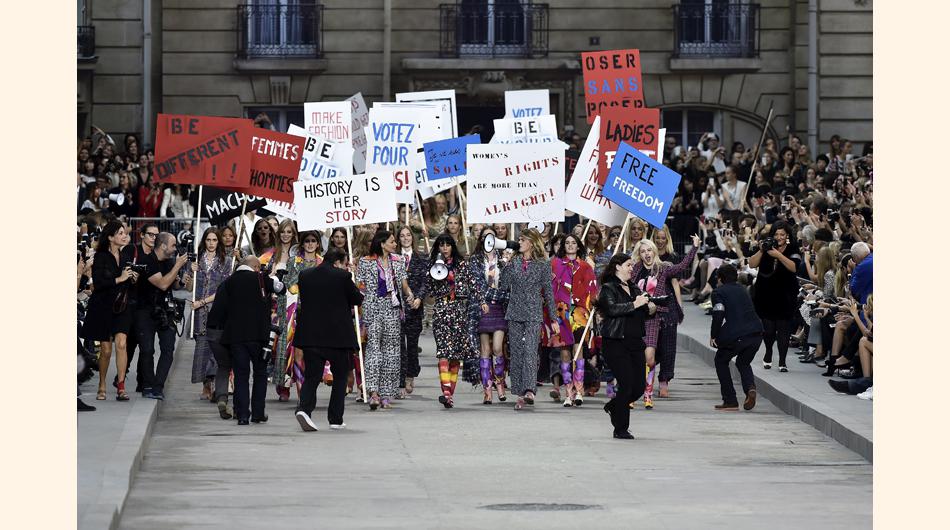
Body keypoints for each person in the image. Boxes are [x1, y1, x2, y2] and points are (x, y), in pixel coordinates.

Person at [293, 249, 364, 431]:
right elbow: (357, 299)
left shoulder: (305, 275)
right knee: (340, 377)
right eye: (345, 263)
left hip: (311, 336)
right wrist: (352, 278)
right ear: (338, 262)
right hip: (337, 337)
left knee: (312, 376)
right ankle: (335, 418)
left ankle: (304, 410)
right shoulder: (343, 276)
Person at [213, 256, 286, 425]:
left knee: (241, 375)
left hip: (236, 337)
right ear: (254, 266)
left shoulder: (228, 282)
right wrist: (275, 278)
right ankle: (258, 413)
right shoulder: (260, 278)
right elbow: (281, 289)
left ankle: (242, 415)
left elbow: (219, 310)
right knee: (260, 374)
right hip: (259, 336)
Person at [630, 235, 700, 408]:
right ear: (639, 254)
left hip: (653, 318)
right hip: (635, 317)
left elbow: (683, 266)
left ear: (654, 252)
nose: (647, 254)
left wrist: (695, 248)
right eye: (643, 251)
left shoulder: (663, 269)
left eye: (649, 250)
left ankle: (648, 393)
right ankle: (631, 393)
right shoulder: (634, 269)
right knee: (633, 357)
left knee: (650, 358)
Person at [356, 231, 419, 410]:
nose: (395, 244)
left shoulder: (398, 260)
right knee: (374, 350)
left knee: (391, 352)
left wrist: (410, 296)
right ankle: (373, 392)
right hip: (373, 309)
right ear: (382, 244)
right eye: (392, 242)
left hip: (392, 309)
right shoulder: (366, 261)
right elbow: (360, 286)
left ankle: (386, 394)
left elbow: (403, 283)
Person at [497, 229, 557, 410]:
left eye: (522, 240)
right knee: (517, 353)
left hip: (533, 313)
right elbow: (504, 286)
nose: (519, 242)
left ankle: (530, 389)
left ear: (532, 242)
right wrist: (505, 265)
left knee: (530, 351)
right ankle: (519, 393)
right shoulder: (514, 262)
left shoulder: (543, 264)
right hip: (514, 312)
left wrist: (553, 318)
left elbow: (548, 292)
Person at [596, 253, 654, 439]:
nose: (631, 268)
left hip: (635, 342)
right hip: (615, 343)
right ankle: (620, 428)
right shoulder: (608, 288)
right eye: (628, 265)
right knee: (627, 384)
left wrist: (649, 305)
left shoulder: (633, 287)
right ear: (617, 267)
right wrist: (634, 304)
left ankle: (614, 406)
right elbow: (611, 309)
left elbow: (642, 311)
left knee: (638, 387)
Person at [81, 221, 140, 401]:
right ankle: (102, 384)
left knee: (121, 343)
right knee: (106, 350)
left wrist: (132, 278)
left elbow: (126, 282)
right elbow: (98, 284)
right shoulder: (100, 257)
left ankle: (121, 386)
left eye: (125, 233)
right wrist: (120, 278)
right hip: (103, 307)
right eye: (120, 233)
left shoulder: (125, 255)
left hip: (122, 306)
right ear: (110, 237)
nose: (124, 236)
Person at [420, 233, 478, 408]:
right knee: (444, 352)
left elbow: (473, 284)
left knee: (456, 356)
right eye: (441, 245)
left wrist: (481, 303)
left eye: (448, 245)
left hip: (460, 311)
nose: (445, 248)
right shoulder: (432, 266)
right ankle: (446, 392)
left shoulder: (462, 265)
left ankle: (449, 395)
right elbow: (429, 291)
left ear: (452, 246)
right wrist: (433, 272)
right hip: (442, 311)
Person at [542, 234, 598, 407]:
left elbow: (593, 288)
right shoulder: (555, 264)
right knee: (564, 352)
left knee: (578, 350)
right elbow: (548, 288)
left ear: (578, 245)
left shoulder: (585, 266)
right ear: (563, 246)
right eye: (567, 243)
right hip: (562, 312)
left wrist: (594, 304)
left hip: (580, 313)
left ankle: (579, 390)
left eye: (574, 242)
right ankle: (568, 392)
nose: (570, 245)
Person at [136, 232, 190, 400]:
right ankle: (148, 385)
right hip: (145, 310)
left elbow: (172, 284)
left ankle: (158, 386)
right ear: (163, 246)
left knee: (168, 349)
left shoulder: (169, 262)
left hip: (166, 310)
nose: (175, 249)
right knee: (147, 350)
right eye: (173, 245)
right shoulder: (148, 261)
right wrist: (178, 266)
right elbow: (162, 284)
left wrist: (181, 280)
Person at [184, 227, 233, 401]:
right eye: (208, 240)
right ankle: (206, 384)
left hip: (217, 311)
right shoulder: (196, 261)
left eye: (214, 240)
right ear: (204, 241)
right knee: (202, 348)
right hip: (199, 313)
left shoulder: (226, 261)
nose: (211, 243)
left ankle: (214, 385)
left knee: (216, 349)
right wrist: (190, 273)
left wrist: (203, 302)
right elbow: (188, 287)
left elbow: (223, 289)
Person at [748, 221, 801, 372]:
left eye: (782, 234)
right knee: (769, 330)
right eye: (776, 234)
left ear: (788, 236)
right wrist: (762, 250)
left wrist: (777, 254)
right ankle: (768, 351)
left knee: (783, 329)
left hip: (786, 294)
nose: (779, 237)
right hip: (766, 294)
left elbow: (794, 267)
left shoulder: (793, 248)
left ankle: (783, 361)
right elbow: (751, 265)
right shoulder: (766, 247)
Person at [709, 264, 763, 411]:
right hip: (757, 333)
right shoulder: (742, 289)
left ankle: (730, 400)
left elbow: (719, 314)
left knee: (720, 360)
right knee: (743, 362)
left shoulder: (718, 292)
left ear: (720, 278)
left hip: (739, 334)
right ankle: (750, 388)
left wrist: (714, 335)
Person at [467, 227, 510, 404]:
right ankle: (487, 390)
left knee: (498, 348)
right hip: (482, 307)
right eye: (484, 236)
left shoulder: (503, 259)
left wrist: (508, 264)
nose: (488, 239)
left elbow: (508, 286)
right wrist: (491, 297)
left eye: (490, 236)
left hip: (499, 308)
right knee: (485, 350)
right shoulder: (475, 260)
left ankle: (500, 383)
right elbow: (477, 285)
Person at [280, 231, 324, 395]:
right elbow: (287, 285)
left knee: (314, 354)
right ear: (302, 244)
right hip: (297, 314)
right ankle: (300, 391)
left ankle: (309, 386)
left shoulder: (322, 263)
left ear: (318, 244)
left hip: (318, 315)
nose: (310, 244)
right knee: (296, 352)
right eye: (307, 241)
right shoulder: (294, 261)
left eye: (313, 241)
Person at [396, 226, 427, 396]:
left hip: (415, 308)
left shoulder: (421, 258)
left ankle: (410, 374)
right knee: (399, 346)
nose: (406, 238)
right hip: (397, 307)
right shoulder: (393, 257)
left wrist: (419, 298)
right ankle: (400, 381)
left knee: (412, 345)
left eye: (408, 235)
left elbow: (425, 281)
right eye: (402, 235)